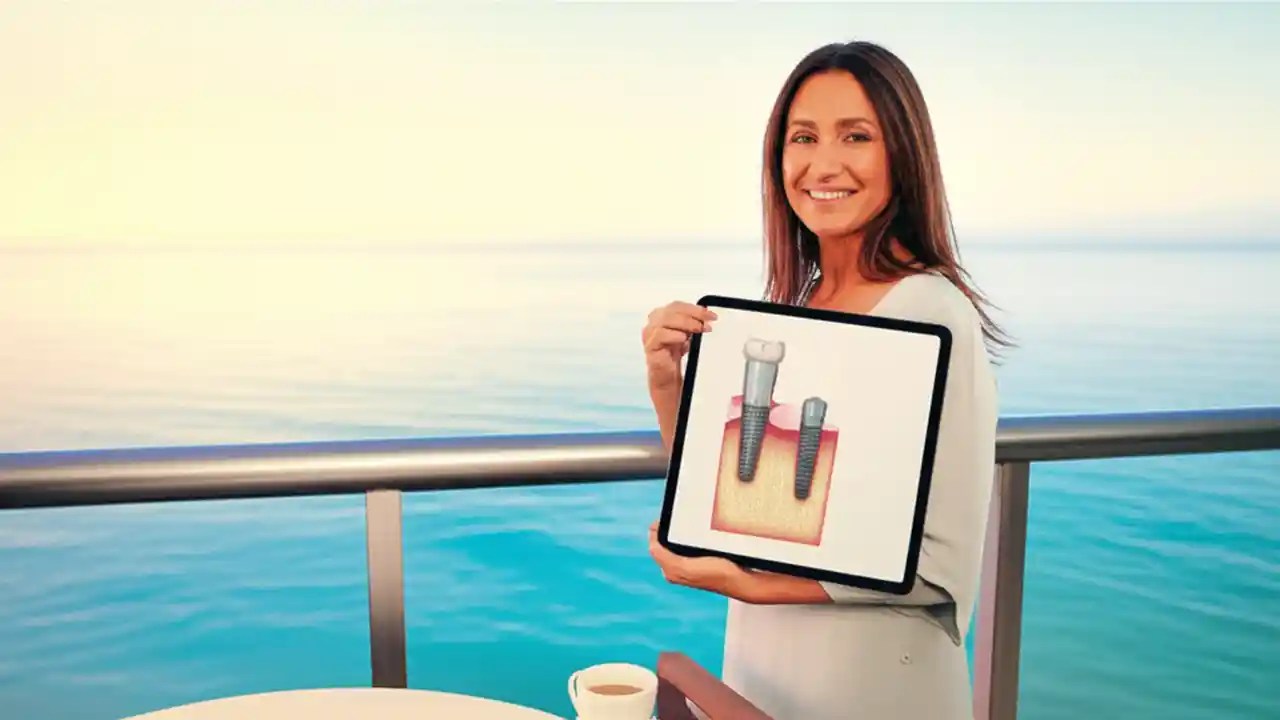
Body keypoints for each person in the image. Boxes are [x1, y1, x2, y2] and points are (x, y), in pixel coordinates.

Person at [641, 41, 1011, 720]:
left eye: (856, 136)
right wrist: (670, 385)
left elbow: (937, 564)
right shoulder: (801, 306)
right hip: (770, 673)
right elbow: (745, 502)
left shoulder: (930, 312)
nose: (824, 164)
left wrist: (752, 586)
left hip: (874, 686)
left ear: (903, 154)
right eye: (804, 137)